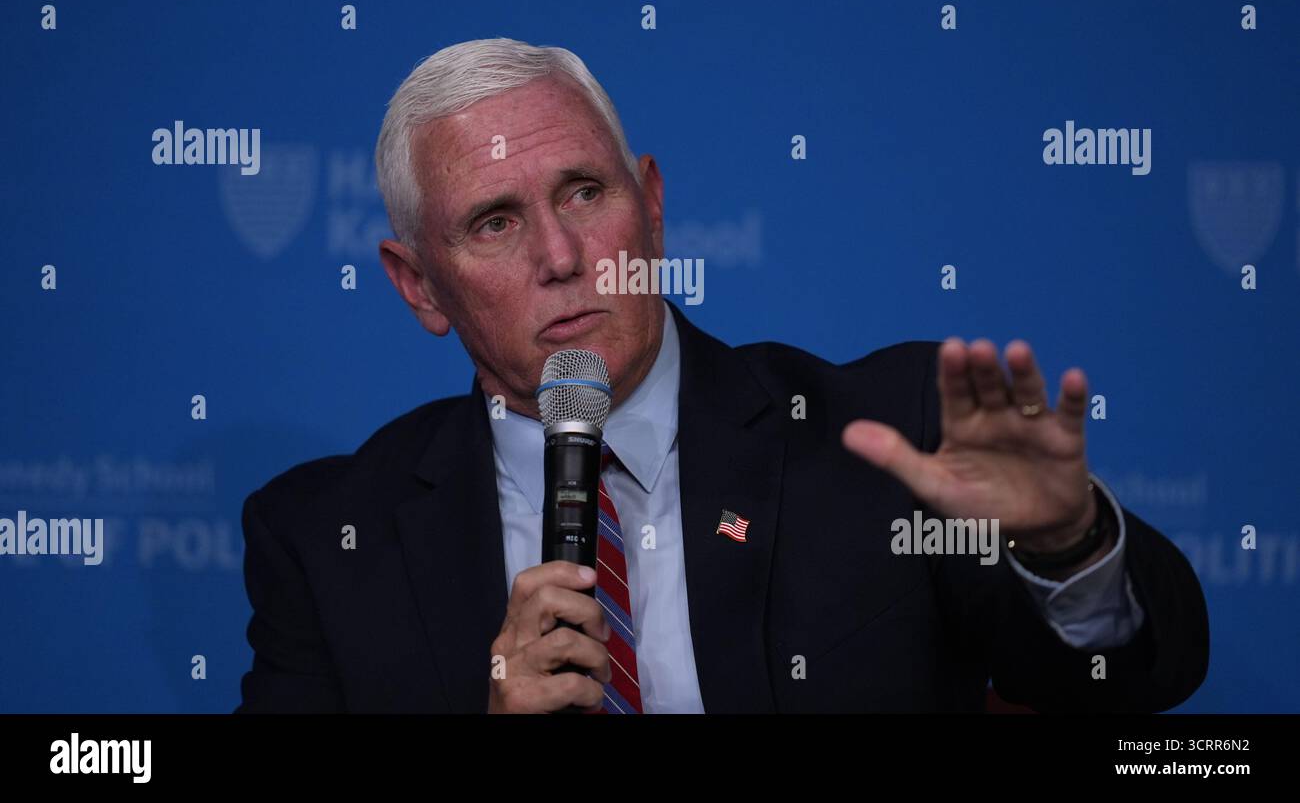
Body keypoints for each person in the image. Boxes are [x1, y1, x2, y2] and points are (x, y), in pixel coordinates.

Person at [235, 38, 1208, 713]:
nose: (564, 253)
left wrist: (1066, 546)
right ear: (419, 286)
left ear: (650, 207)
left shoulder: (886, 437)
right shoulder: (328, 542)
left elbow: (1129, 688)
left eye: (585, 190)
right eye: (494, 222)